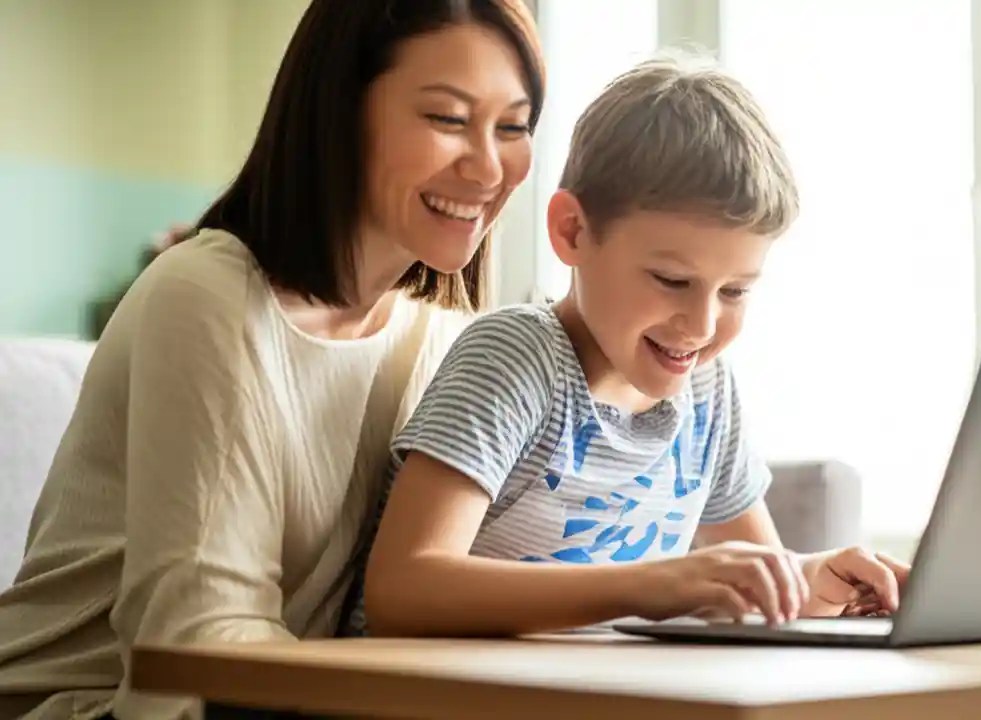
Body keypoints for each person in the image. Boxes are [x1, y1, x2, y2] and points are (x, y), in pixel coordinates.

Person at [0, 1, 544, 718]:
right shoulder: (208, 296)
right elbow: (201, 648)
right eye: (447, 118)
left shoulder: (444, 339)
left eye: (512, 126)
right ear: (339, 113)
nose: (487, 165)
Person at [342, 55, 910, 640]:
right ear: (573, 232)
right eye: (671, 280)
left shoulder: (709, 392)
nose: (702, 323)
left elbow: (754, 586)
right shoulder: (516, 359)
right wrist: (650, 585)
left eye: (736, 290)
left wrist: (811, 578)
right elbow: (401, 591)